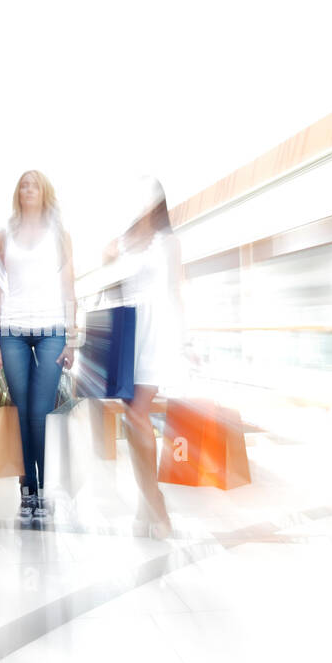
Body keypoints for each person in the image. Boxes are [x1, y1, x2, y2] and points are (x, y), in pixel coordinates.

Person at [0, 169, 78, 526]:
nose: (28, 189)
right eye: (23, 184)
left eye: (34, 184)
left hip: (52, 328)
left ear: (44, 193)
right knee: (23, 410)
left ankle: (39, 488)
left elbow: (69, 289)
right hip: (11, 331)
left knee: (39, 412)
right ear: (18, 193)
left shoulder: (61, 236)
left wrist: (72, 337)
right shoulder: (1, 237)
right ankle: (29, 491)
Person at [104, 177, 185, 539]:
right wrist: (108, 264)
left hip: (155, 333)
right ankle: (146, 505)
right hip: (126, 333)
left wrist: (183, 342)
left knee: (137, 415)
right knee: (131, 420)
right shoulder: (121, 243)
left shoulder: (169, 242)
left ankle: (157, 505)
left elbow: (175, 292)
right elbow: (113, 291)